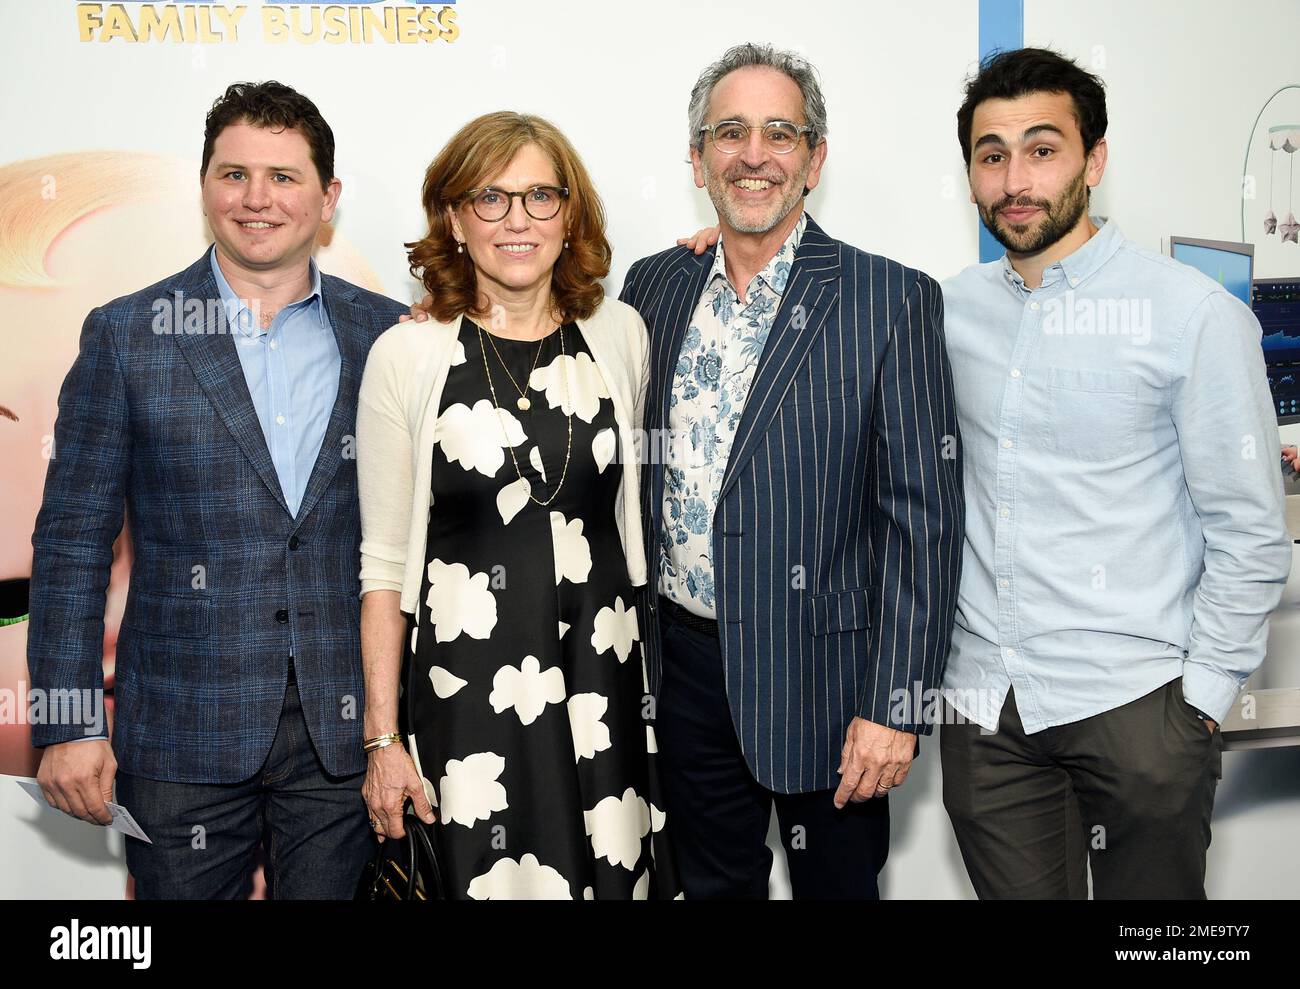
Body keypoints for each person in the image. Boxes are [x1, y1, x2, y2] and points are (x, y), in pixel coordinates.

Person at [27, 81, 407, 899]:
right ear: (203, 186)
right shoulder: (127, 333)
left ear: (328, 196)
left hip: (343, 740)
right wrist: (67, 720)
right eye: (234, 174)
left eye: (283, 176)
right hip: (178, 737)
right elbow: (70, 540)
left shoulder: (389, 333)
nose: (257, 199)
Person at [938, 47, 1290, 899]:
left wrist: (1198, 705)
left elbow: (1250, 532)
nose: (1015, 178)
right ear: (972, 174)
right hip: (989, 715)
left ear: (1095, 159)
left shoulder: (1193, 315)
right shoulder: (945, 312)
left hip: (1140, 708)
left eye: (1043, 148)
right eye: (993, 155)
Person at [627, 43, 964, 899]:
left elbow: (924, 523)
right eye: (729, 132)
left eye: (781, 133)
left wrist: (897, 703)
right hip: (686, 666)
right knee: (709, 887)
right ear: (697, 157)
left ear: (815, 157)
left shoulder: (889, 299)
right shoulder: (654, 286)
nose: (753, 154)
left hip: (828, 678)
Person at [357, 111, 675, 899]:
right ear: (455, 219)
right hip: (468, 699)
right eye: (490, 199)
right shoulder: (409, 354)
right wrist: (383, 738)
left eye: (539, 196)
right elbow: (384, 567)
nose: (517, 220)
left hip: (605, 679)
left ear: (571, 214)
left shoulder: (620, 333)